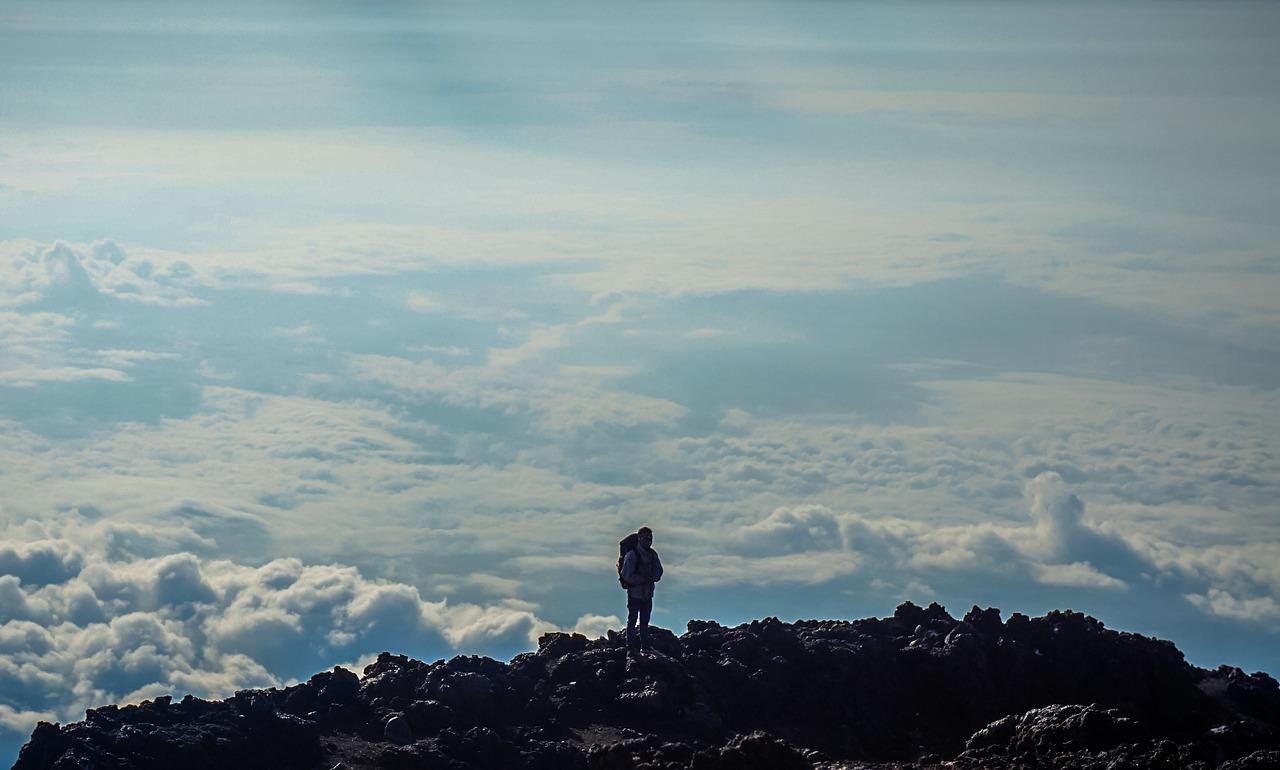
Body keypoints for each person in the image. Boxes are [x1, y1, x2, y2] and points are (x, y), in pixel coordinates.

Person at [620, 526, 663, 654]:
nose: (648, 540)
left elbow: (659, 572)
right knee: (632, 620)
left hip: (647, 594)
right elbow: (626, 575)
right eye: (645, 538)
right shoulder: (632, 555)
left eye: (650, 538)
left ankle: (645, 646)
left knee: (645, 621)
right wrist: (643, 579)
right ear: (639, 538)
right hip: (635, 594)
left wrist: (652, 577)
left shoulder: (652, 554)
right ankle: (631, 647)